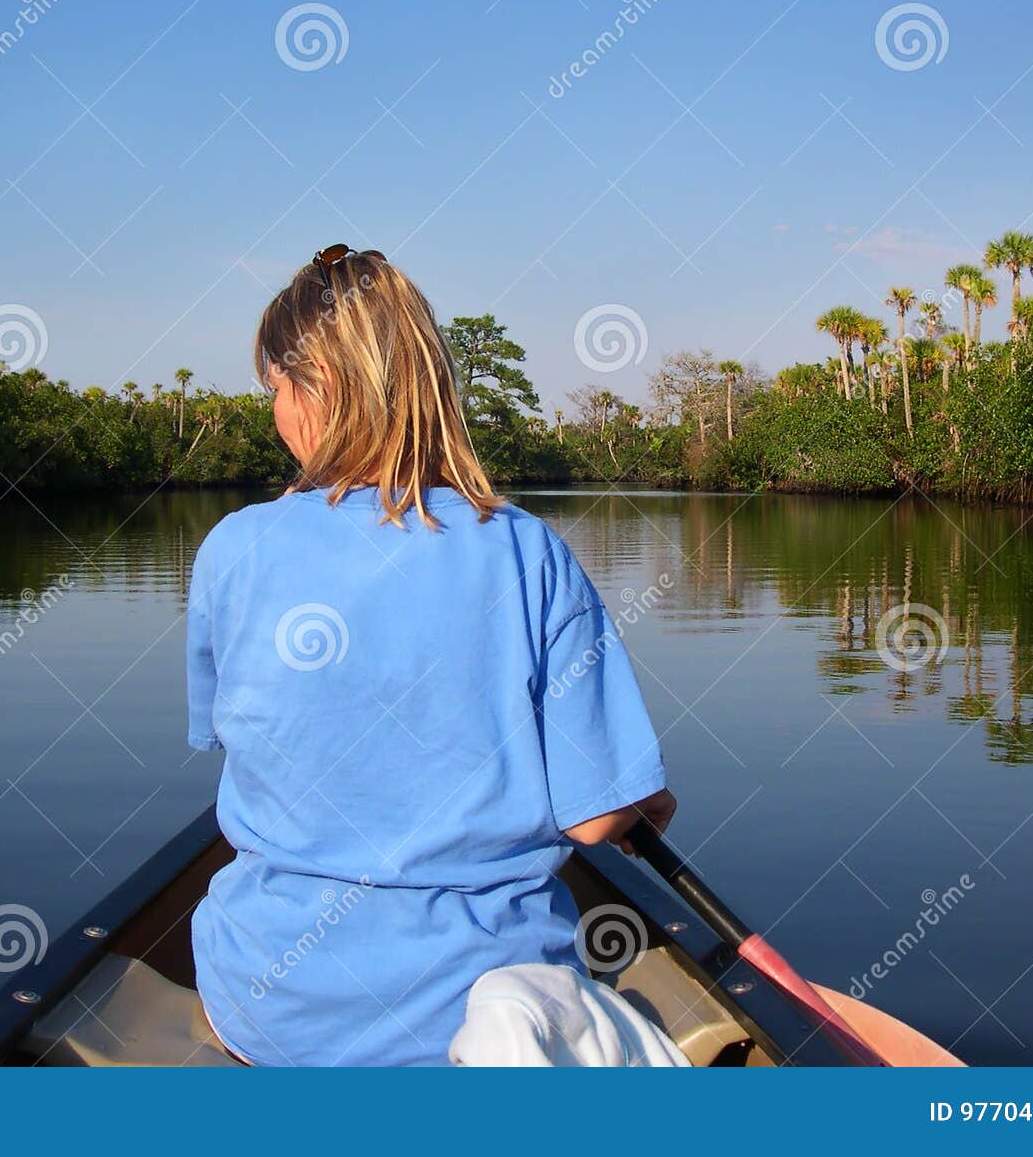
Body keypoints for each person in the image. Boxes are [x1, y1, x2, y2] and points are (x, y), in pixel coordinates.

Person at [186, 244, 675, 1067]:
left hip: (269, 1007)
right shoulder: (527, 551)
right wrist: (640, 799)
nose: (276, 414)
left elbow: (242, 739)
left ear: (317, 387)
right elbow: (595, 819)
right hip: (479, 1010)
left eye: (275, 390)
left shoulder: (232, 548)